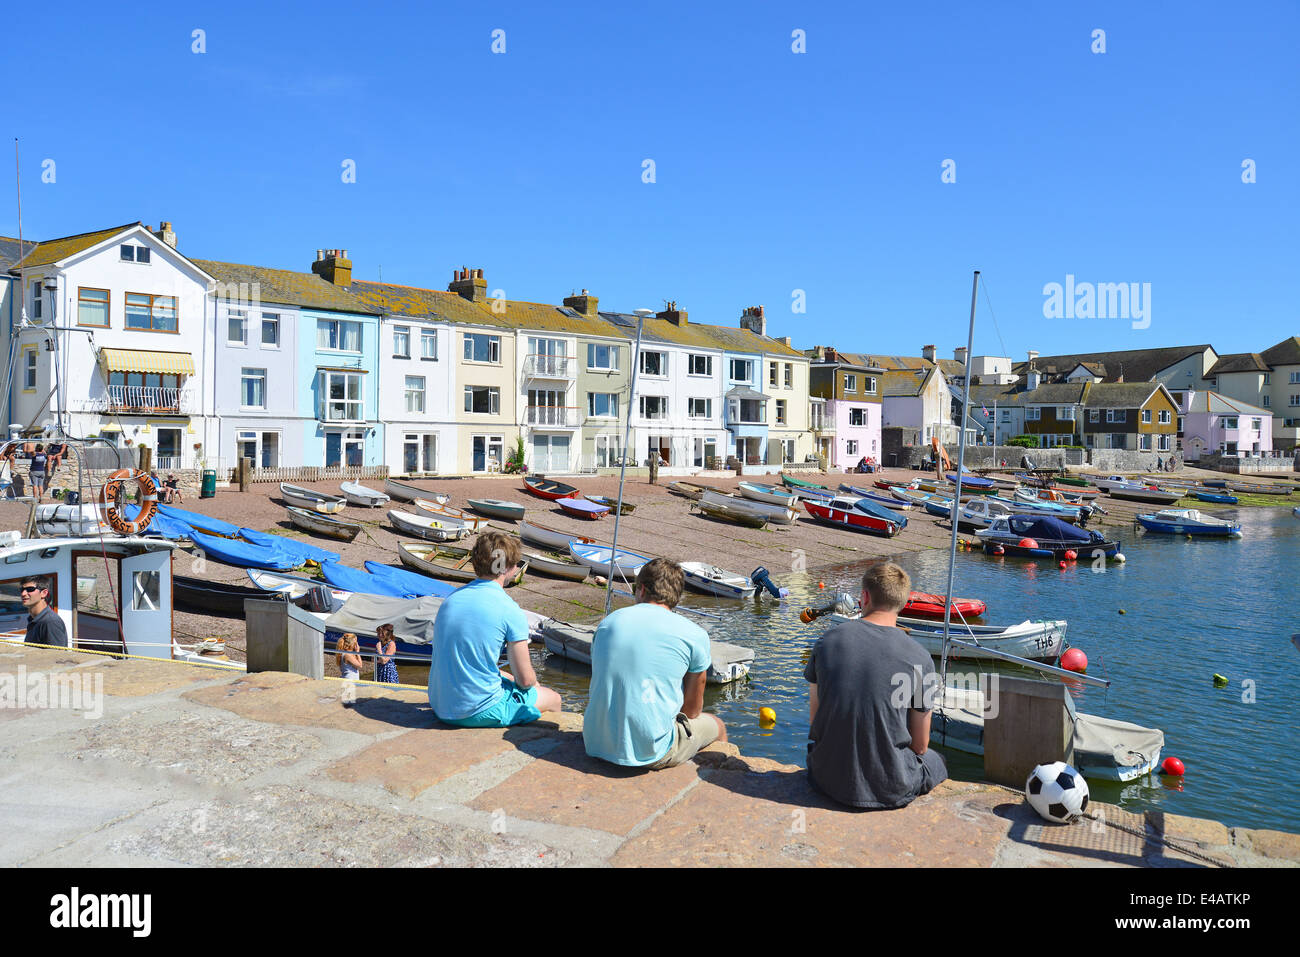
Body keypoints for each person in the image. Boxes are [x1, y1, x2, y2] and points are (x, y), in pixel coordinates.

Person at [803, 562, 947, 809]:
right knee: (938, 760)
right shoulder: (920, 657)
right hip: (891, 788)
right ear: (902, 603)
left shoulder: (827, 641)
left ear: (865, 597)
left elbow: (815, 720)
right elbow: (920, 745)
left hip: (825, 778)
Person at [583, 558, 727, 769]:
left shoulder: (608, 622)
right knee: (718, 726)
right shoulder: (694, 634)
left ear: (641, 589)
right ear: (677, 596)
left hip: (595, 742)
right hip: (652, 751)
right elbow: (692, 712)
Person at [427, 532, 561, 727]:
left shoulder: (452, 599)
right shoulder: (509, 609)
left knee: (507, 676)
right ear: (505, 567)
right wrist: (533, 684)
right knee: (552, 697)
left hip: (441, 706)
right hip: (476, 711)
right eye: (516, 563)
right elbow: (525, 680)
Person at [22, 575, 69, 648]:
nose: (23, 594)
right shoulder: (34, 619)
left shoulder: (51, 622)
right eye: (22, 589)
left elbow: (57, 656)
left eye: (30, 589)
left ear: (44, 593)